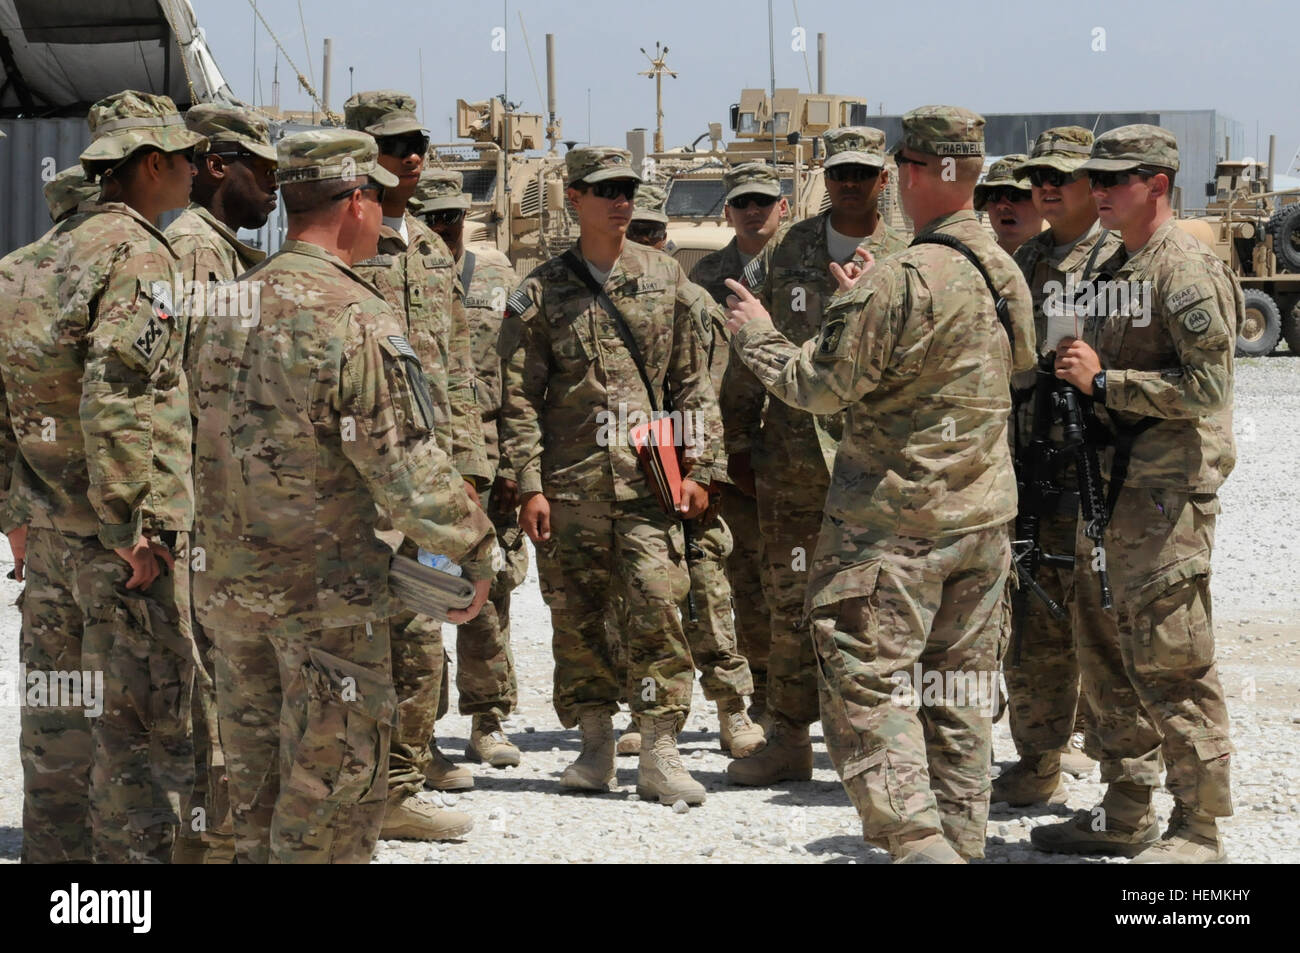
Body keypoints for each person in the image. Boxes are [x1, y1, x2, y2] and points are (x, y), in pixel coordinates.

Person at [724, 105, 1035, 862]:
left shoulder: (897, 279)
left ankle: (915, 838)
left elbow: (818, 385)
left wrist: (758, 334)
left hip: (895, 524)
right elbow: (1019, 361)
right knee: (958, 689)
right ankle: (962, 839)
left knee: (867, 677)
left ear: (914, 174)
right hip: (982, 520)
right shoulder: (1001, 270)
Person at [191, 128, 496, 864]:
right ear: (357, 201)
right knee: (331, 789)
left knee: (257, 784)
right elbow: (405, 465)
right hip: (325, 598)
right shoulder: (354, 316)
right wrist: (477, 549)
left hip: (230, 591)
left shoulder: (225, 303)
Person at [0, 90, 207, 863]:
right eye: (186, 159)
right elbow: (118, 392)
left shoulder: (23, 264)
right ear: (151, 164)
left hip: (48, 536)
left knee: (56, 730)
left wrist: (12, 513)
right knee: (138, 733)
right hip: (121, 548)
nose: (193, 173)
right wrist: (133, 527)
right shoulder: (143, 255)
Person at [1032, 124, 1238, 863]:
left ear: (1157, 183)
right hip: (1107, 492)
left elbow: (1209, 387)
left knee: (1173, 661)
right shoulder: (1117, 262)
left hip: (1164, 499)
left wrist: (1106, 382)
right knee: (1106, 655)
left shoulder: (1183, 268)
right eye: (1098, 179)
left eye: (1116, 180)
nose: (1100, 191)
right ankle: (1124, 811)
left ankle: (1199, 828)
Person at [498, 146, 723, 806]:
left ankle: (659, 748)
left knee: (658, 608)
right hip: (571, 488)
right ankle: (596, 744)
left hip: (650, 482)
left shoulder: (667, 280)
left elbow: (692, 381)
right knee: (577, 618)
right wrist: (530, 483)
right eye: (605, 190)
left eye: (628, 188)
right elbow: (517, 396)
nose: (620, 200)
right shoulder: (539, 291)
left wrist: (698, 467)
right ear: (574, 197)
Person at [720, 127, 907, 788]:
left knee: (878, 608)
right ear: (825, 180)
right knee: (790, 600)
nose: (850, 184)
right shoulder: (791, 246)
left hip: (876, 461)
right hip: (795, 459)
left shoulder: (909, 253)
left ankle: (874, 743)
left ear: (884, 179)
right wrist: (735, 439)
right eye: (839, 174)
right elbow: (753, 337)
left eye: (863, 173)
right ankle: (788, 736)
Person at [344, 90, 488, 836]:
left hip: (429, 475)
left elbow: (457, 366)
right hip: (360, 480)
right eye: (394, 145)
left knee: (423, 629)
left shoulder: (431, 250)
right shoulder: (344, 245)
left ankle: (400, 777)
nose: (411, 157)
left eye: (417, 143)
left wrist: (473, 466)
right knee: (355, 633)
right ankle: (360, 781)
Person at [165, 101, 279, 864]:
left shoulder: (222, 250)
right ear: (216, 166)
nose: (273, 190)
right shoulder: (195, 252)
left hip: (224, 510)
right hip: (204, 513)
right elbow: (189, 388)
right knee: (209, 695)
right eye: (262, 173)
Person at [614, 181, 763, 760]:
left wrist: (707, 472)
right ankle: (643, 708)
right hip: (632, 467)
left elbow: (714, 394)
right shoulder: (591, 298)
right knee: (640, 599)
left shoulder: (694, 303)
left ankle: (733, 709)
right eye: (636, 232)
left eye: (653, 233)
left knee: (708, 590)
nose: (645, 242)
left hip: (691, 464)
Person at [994, 127, 1117, 808]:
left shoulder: (1118, 260)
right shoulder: (1028, 259)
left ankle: (1120, 777)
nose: (1046, 186)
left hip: (1097, 467)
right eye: (1039, 174)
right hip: (1032, 460)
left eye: (1062, 176)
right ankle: (1037, 759)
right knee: (1034, 614)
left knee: (1101, 621)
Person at [413, 167, 527, 769]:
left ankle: (488, 719)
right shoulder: (402, 272)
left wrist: (514, 464)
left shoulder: (500, 278)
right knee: (422, 597)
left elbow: (519, 378)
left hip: (486, 459)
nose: (441, 229)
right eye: (430, 219)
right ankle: (421, 733)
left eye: (451, 217)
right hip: (423, 461)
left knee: (489, 595)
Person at [689, 162, 788, 727]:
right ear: (727, 211)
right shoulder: (706, 276)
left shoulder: (802, 268)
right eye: (742, 203)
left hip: (800, 445)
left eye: (764, 202)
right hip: (730, 447)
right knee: (743, 577)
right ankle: (764, 696)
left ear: (784, 206)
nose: (754, 212)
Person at [974, 154, 1042, 254]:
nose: (1002, 205)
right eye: (994, 195)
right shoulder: (971, 263)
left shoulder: (1065, 263)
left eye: (1015, 195)